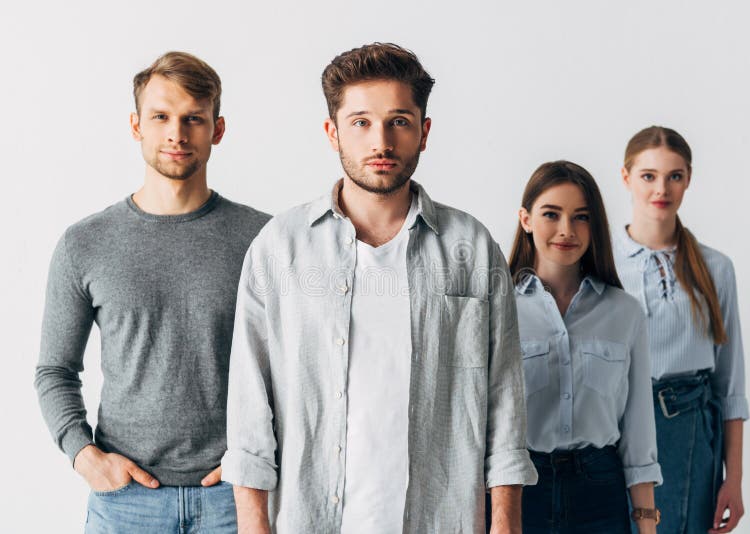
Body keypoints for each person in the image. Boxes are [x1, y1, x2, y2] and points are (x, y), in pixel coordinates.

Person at [221, 42, 537, 533]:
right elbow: (249, 403)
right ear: (333, 132)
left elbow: (505, 397)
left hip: (443, 520)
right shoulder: (279, 248)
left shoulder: (471, 247)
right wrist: (252, 524)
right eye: (361, 122)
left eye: (399, 121)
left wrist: (506, 521)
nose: (381, 142)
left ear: (424, 132)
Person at [34, 51, 270, 533]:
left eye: (193, 119)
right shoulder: (86, 243)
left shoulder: (262, 240)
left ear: (217, 129)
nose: (176, 134)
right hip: (126, 503)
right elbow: (54, 369)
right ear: (136, 125)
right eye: (161, 116)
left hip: (234, 498)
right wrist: (84, 455)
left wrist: (257, 458)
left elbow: (295, 368)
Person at [501, 160, 661, 533]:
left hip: (601, 491)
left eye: (581, 217)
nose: (566, 230)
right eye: (551, 214)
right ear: (526, 219)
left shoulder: (625, 313)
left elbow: (638, 431)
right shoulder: (499, 309)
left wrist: (647, 524)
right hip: (519, 490)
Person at [614, 126, 749, 534]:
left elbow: (730, 385)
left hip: (687, 433)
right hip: (614, 430)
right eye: (649, 175)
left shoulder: (716, 268)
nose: (662, 188)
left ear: (688, 179)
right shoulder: (603, 264)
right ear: (626, 177)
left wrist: (734, 479)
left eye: (674, 176)